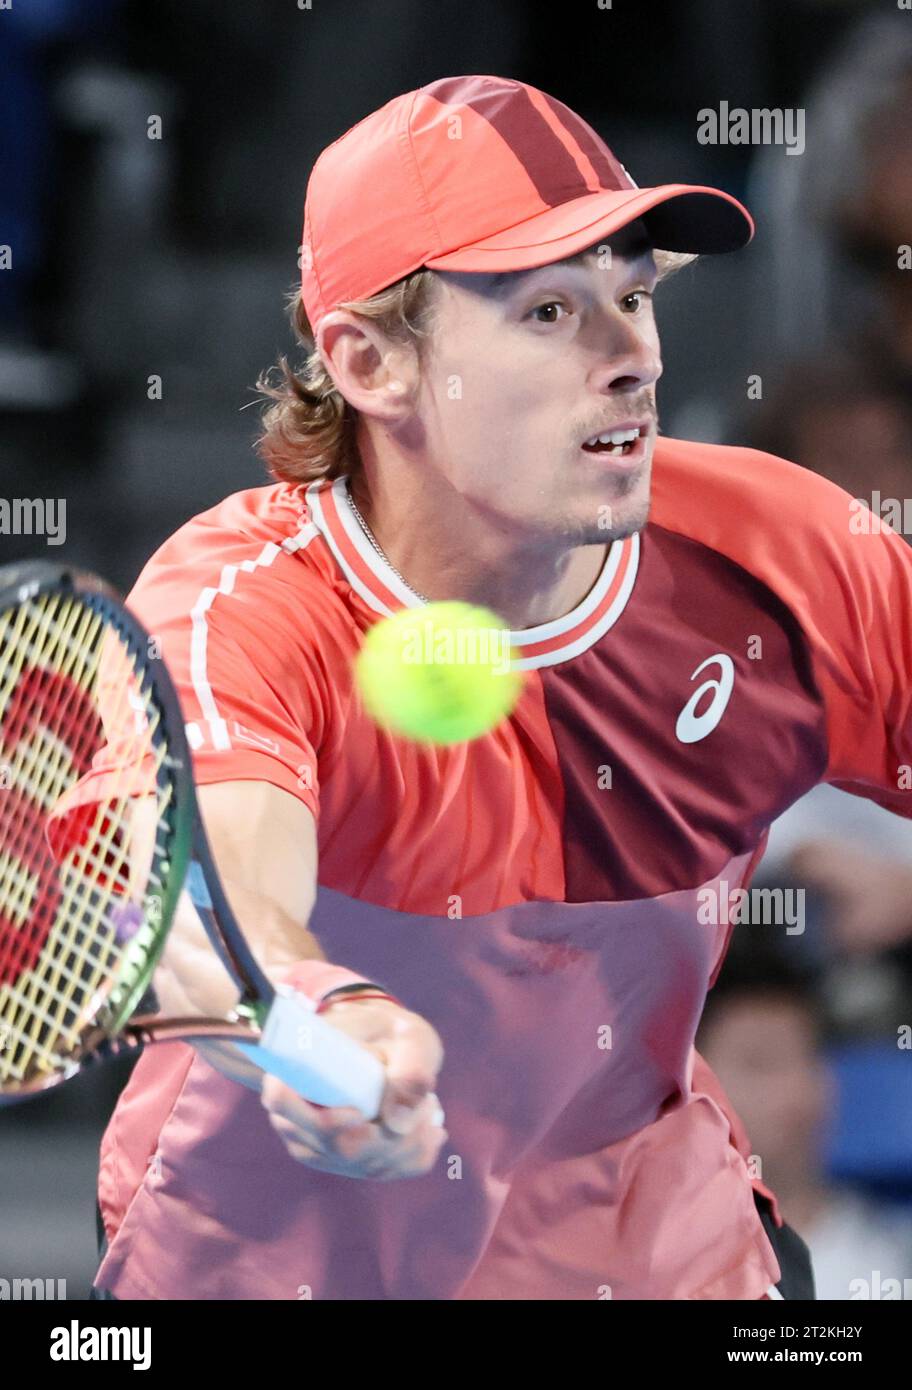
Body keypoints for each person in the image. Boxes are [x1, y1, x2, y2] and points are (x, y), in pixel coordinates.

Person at [86, 73, 912, 1301]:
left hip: (655, 1257)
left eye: (633, 297)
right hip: (272, 1273)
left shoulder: (776, 561)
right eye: (547, 313)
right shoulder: (241, 606)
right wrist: (307, 1023)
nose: (632, 355)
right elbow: (207, 904)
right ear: (369, 360)